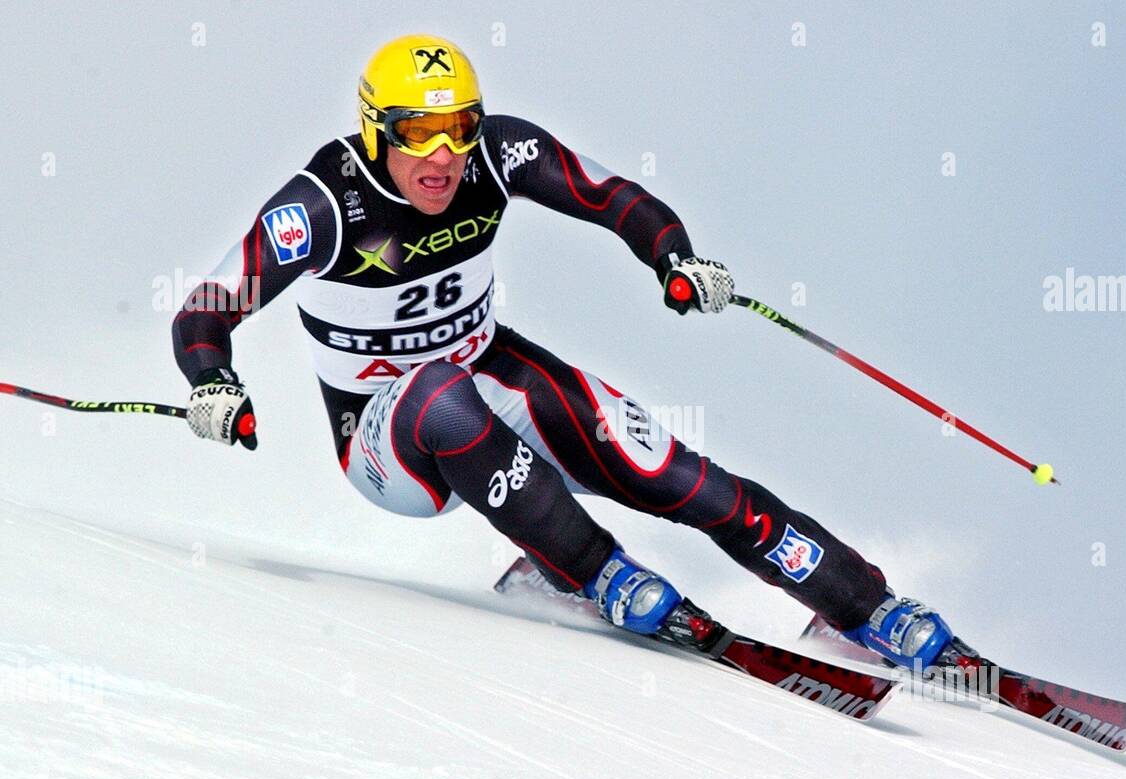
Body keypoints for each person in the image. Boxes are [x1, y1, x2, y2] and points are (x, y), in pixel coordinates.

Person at [171, 35, 953, 669]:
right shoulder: (323, 204)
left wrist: (673, 257)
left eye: (460, 128)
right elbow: (204, 310)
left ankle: (866, 608)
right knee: (440, 392)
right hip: (385, 439)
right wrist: (213, 382)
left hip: (491, 367)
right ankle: (595, 568)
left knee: (677, 476)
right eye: (417, 133)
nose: (443, 156)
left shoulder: (498, 155)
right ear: (377, 130)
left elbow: (610, 195)